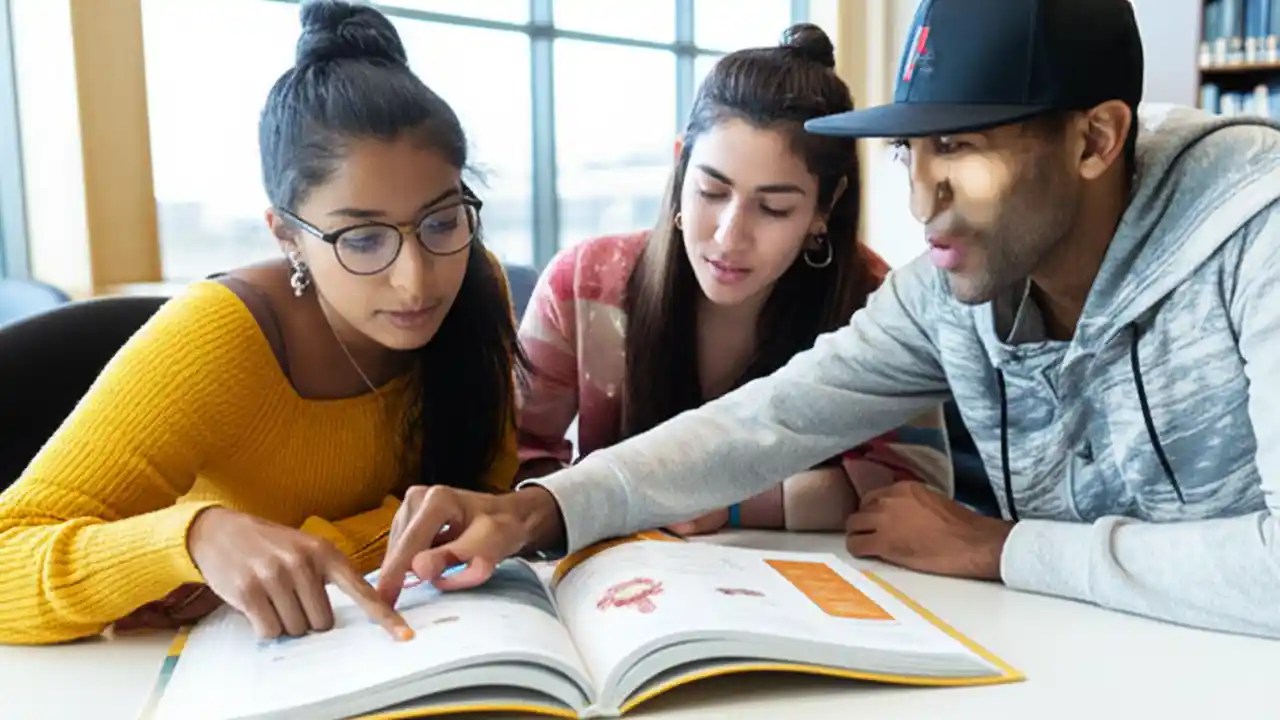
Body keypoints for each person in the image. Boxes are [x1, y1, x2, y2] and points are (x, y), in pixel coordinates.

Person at [373, 0, 1280, 640]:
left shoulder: (1261, 232)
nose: (923, 200)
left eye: (958, 149)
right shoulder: (947, 287)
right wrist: (535, 511)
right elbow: (769, 419)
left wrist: (1004, 548)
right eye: (909, 152)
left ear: (1094, 140)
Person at [0, 0, 525, 645]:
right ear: (288, 237)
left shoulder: (478, 281)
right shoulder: (216, 338)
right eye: (362, 239)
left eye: (442, 221)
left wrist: (317, 551)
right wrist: (195, 536)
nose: (416, 279)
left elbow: (485, 488)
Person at [516, 25, 951, 536]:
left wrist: (731, 504)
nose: (729, 237)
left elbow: (913, 495)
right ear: (680, 170)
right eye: (711, 192)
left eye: (773, 208)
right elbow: (511, 459)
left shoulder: (877, 302)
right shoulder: (584, 284)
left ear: (824, 208)